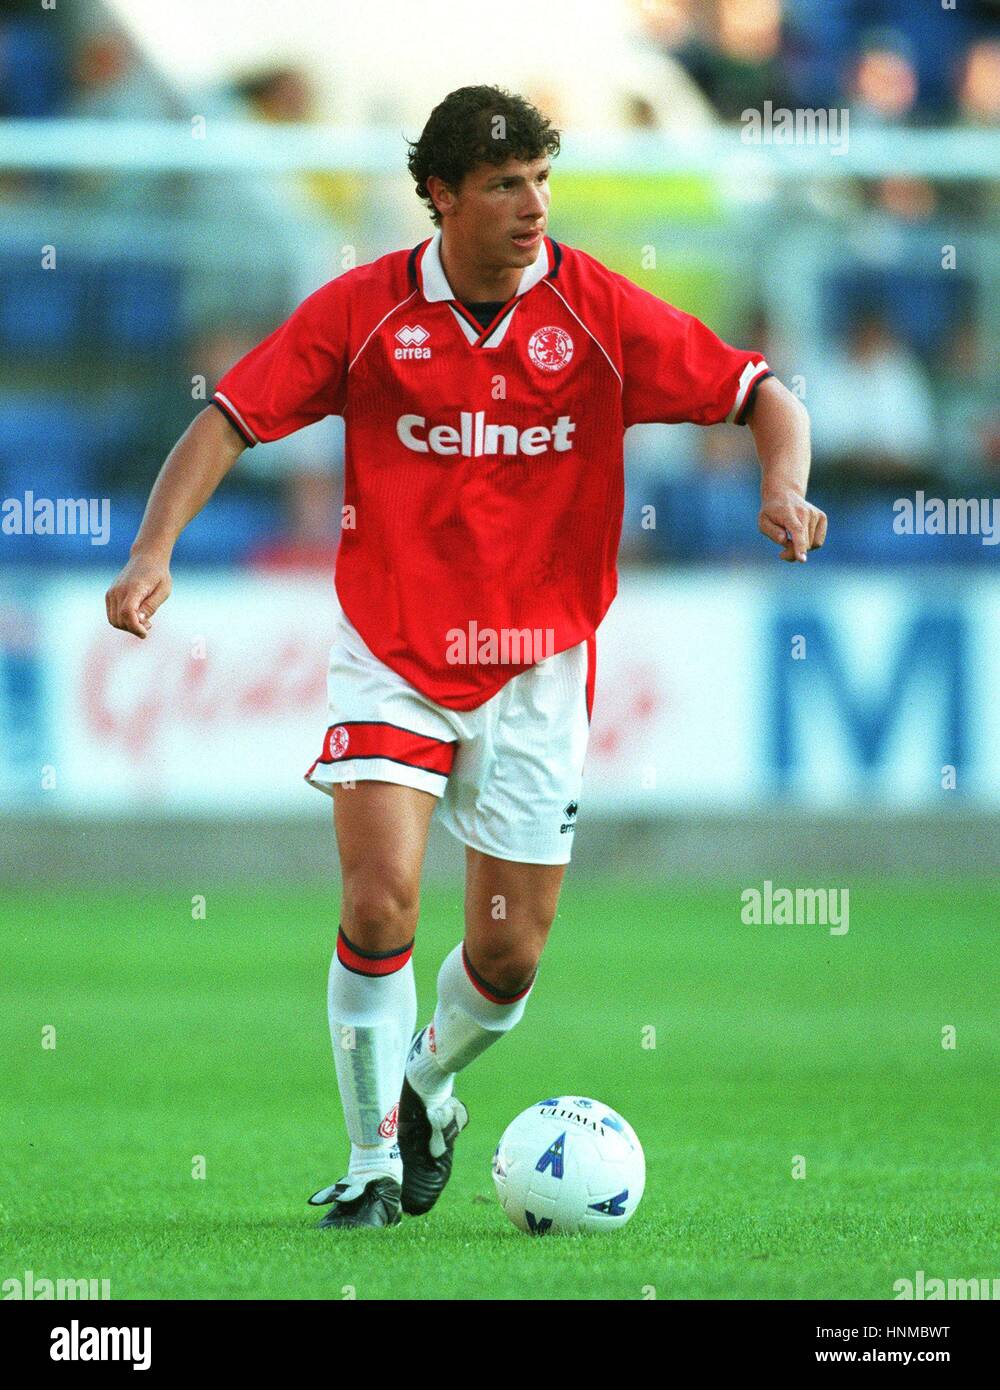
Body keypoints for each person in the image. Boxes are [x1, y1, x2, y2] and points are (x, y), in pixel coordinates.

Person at [105, 85, 825, 1230]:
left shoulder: (595, 311)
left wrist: (781, 484)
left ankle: (427, 1084)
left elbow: (761, 394)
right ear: (440, 197)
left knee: (506, 957)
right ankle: (369, 1161)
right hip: (391, 649)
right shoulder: (362, 312)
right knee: (380, 898)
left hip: (540, 668)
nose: (533, 206)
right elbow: (229, 417)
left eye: (541, 180)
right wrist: (154, 551)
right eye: (504, 185)